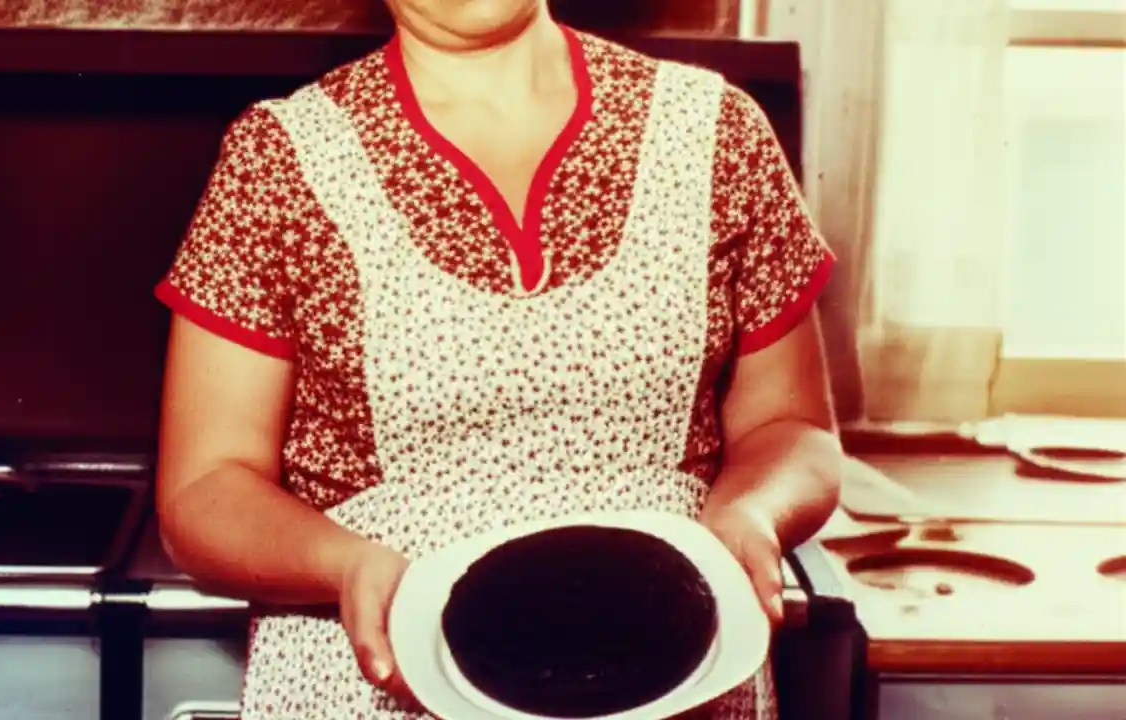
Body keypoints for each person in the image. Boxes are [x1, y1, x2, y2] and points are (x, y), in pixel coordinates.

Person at [153, 1, 843, 718]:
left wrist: (753, 516)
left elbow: (792, 427)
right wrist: (345, 564)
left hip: (674, 666)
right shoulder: (279, 162)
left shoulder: (714, 133)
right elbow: (206, 488)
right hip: (377, 683)